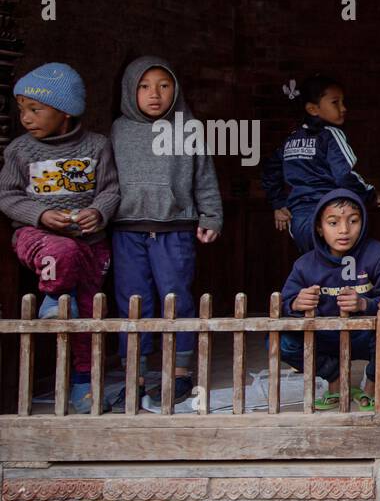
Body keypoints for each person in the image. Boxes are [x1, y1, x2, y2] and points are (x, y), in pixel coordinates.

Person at [0, 62, 119, 412]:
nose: (26, 117)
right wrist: (38, 215)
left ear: (64, 113)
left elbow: (110, 190)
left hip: (90, 242)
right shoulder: (20, 151)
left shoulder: (97, 146)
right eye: (22, 109)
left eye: (36, 110)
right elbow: (7, 196)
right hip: (36, 236)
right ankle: (53, 295)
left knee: (86, 314)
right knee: (61, 249)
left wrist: (97, 213)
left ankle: (82, 385)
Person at [110, 56, 222, 404]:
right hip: (128, 228)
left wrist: (211, 216)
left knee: (176, 298)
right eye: (143, 86)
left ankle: (180, 373)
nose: (154, 94)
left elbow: (204, 177)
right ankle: (136, 377)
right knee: (132, 302)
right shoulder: (118, 130)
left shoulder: (188, 128)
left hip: (175, 228)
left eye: (163, 85)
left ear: (176, 89)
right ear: (131, 91)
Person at [278, 189, 380, 409]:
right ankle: (335, 381)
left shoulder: (377, 254)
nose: (344, 230)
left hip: (365, 334)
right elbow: (283, 304)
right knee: (283, 342)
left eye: (353, 221)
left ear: (364, 222)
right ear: (319, 228)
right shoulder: (304, 264)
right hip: (323, 336)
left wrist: (364, 303)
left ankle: (372, 384)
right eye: (333, 223)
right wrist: (295, 303)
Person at [261, 76, 380, 254]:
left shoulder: (292, 138)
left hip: (298, 220)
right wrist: (370, 194)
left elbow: (270, 170)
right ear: (313, 109)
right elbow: (344, 175)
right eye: (335, 102)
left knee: (316, 267)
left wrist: (278, 203)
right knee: (343, 271)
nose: (343, 108)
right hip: (332, 216)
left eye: (343, 102)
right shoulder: (331, 134)